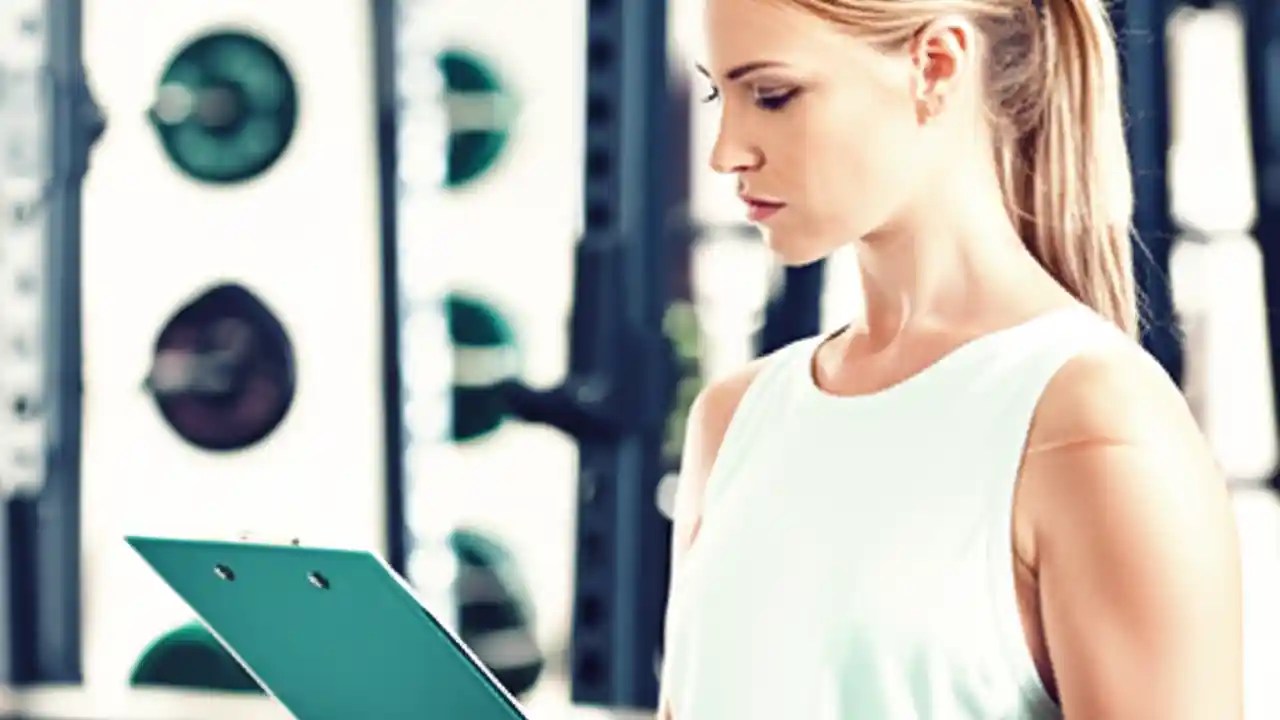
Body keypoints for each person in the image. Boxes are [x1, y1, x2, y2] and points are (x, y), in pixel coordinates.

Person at [657, 0, 1244, 718]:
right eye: (719, 94)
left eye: (772, 95)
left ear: (935, 68)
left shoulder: (1093, 419)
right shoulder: (732, 420)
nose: (726, 152)